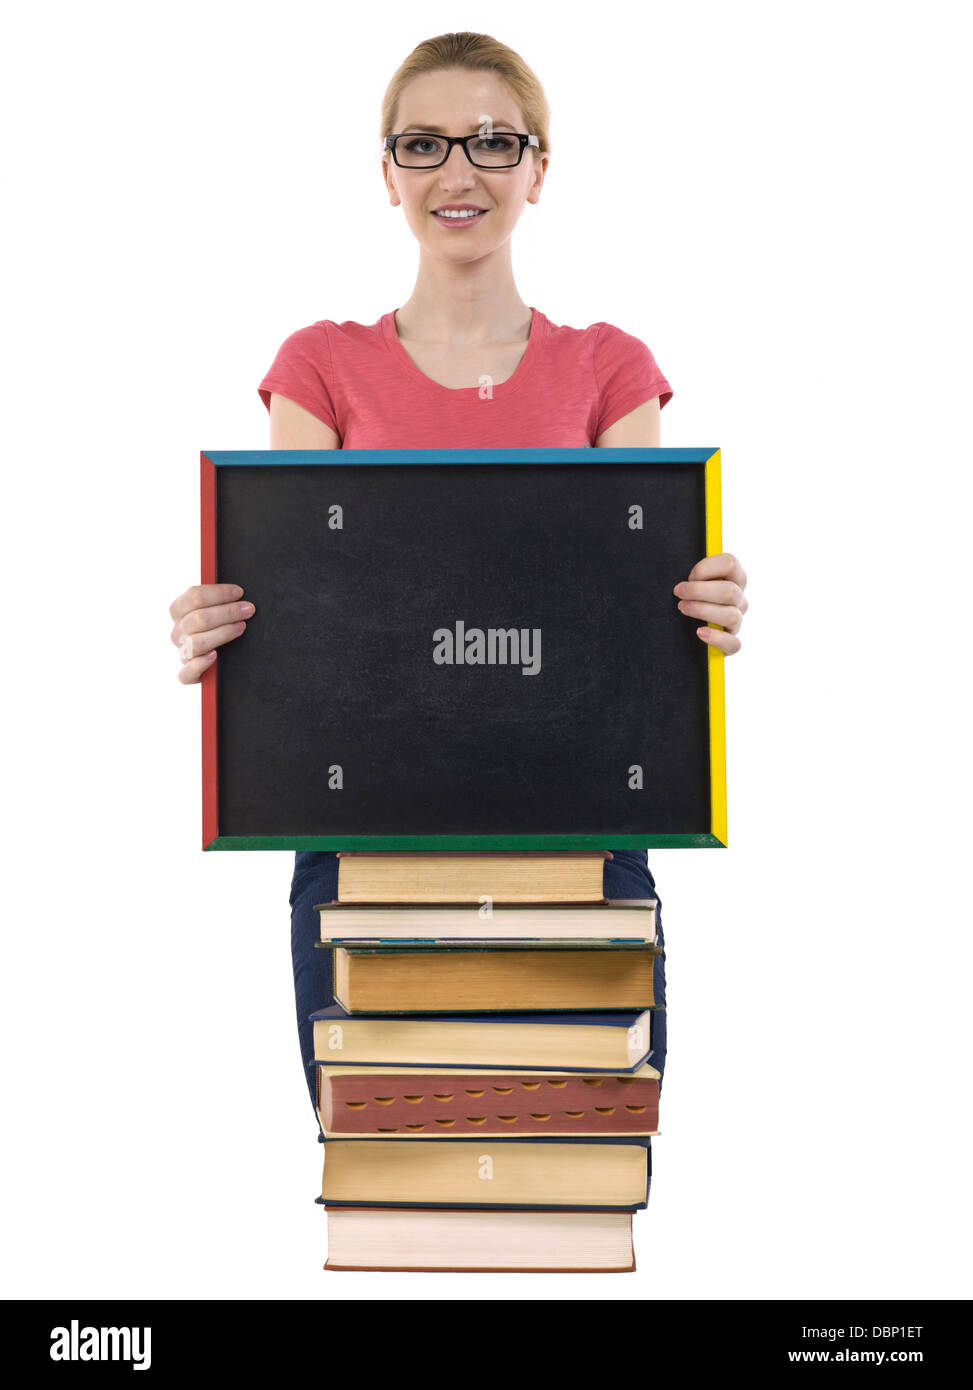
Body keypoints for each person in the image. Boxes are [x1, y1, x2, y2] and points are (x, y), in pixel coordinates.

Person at [168, 32, 748, 1134]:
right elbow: (300, 609)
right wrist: (227, 630)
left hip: (575, 827)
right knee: (394, 1155)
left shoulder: (609, 367)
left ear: (540, 168)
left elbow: (630, 620)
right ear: (385, 174)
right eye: (424, 143)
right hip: (365, 832)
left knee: (576, 1164)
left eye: (493, 141)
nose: (458, 171)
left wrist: (698, 611)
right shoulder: (319, 366)